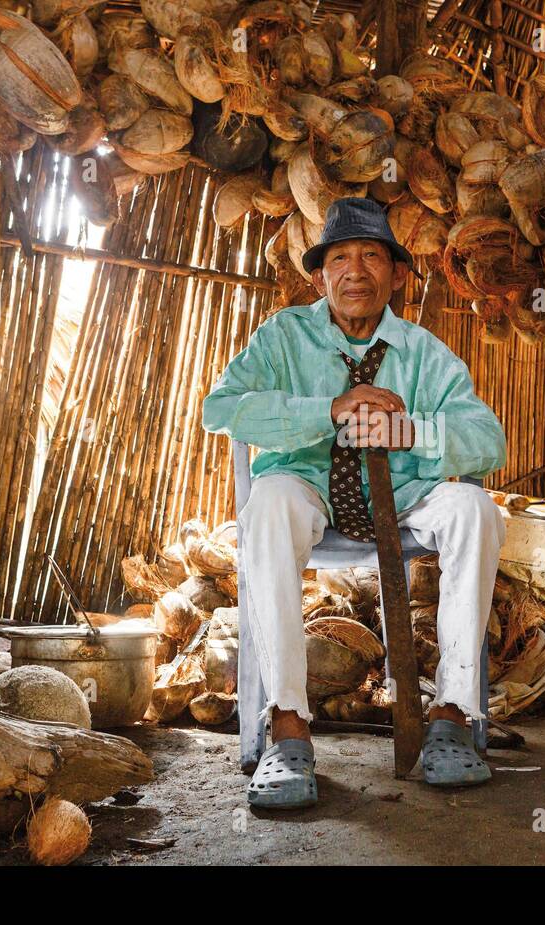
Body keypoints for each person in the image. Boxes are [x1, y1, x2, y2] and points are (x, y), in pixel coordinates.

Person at [203, 197, 507, 809]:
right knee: (268, 504)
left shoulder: (425, 353)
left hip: (406, 497)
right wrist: (328, 411)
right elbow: (222, 409)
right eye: (340, 257)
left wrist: (415, 430)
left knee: (476, 510)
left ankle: (451, 716)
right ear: (320, 275)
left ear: (396, 274)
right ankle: (287, 726)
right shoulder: (283, 337)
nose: (356, 270)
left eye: (372, 255)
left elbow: (488, 440)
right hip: (310, 490)